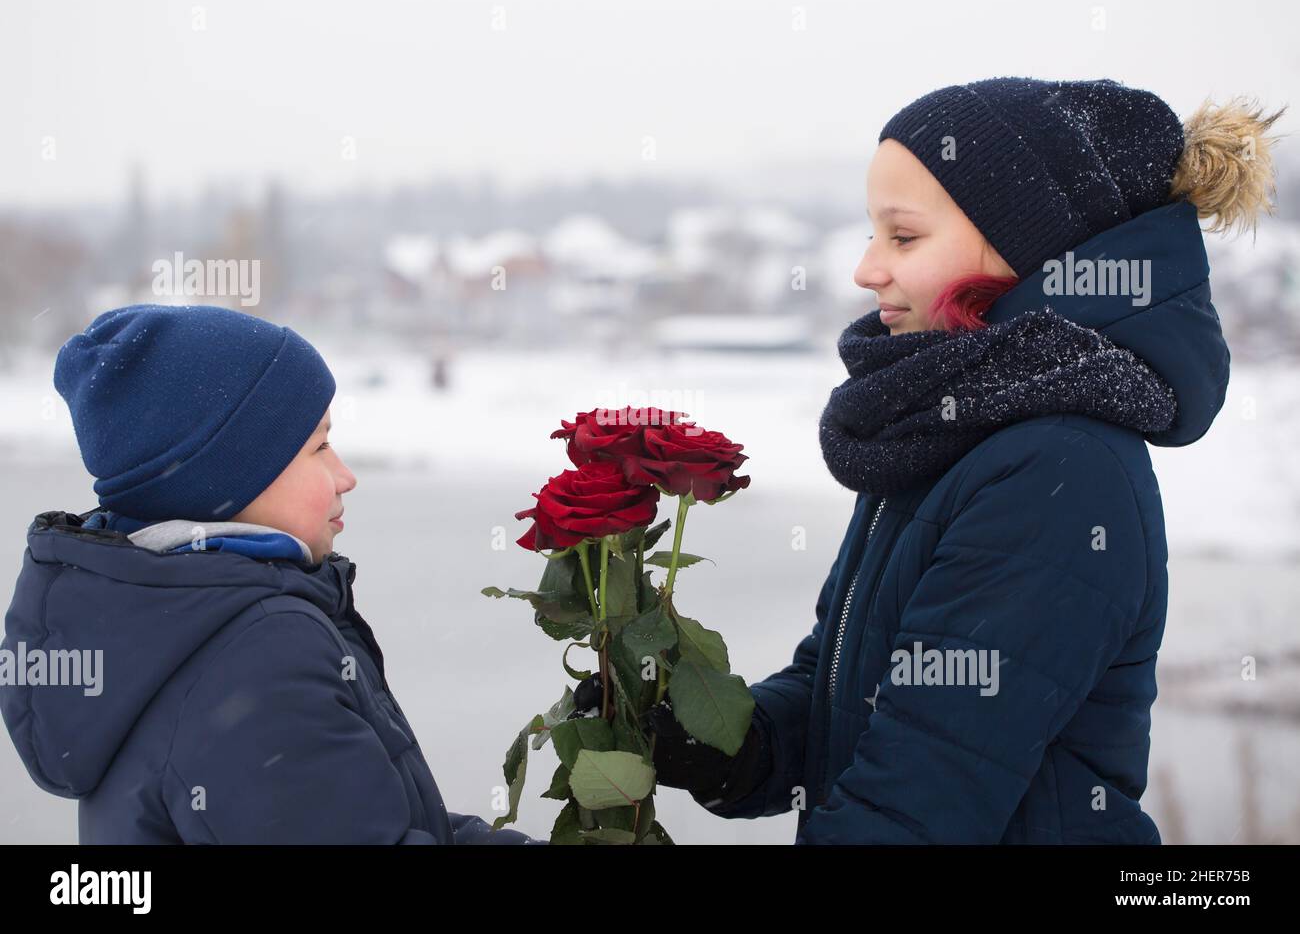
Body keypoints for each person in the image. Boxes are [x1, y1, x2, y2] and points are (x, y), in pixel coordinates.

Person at [650, 77, 1284, 843]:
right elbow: (846, 683)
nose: (865, 269)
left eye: (903, 237)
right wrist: (723, 744)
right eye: (871, 233)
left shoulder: (1055, 470)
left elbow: (913, 808)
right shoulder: (952, 423)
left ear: (1024, 251)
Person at [0, 303, 538, 844]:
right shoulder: (258, 654)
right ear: (223, 480)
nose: (346, 476)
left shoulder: (170, 620)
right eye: (319, 446)